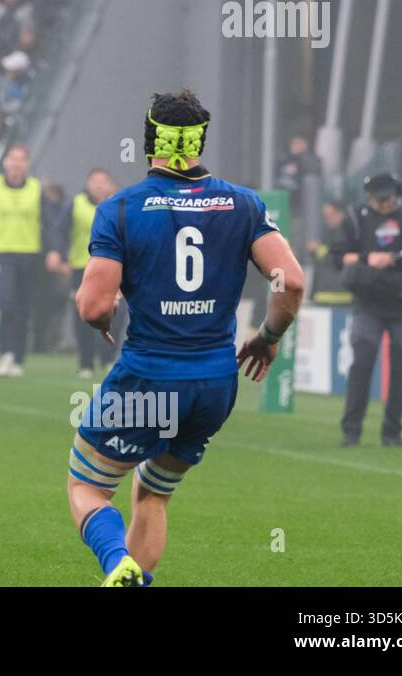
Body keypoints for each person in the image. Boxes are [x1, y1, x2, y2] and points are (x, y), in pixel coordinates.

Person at [66, 90, 304, 586]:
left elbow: (93, 304)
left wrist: (98, 322)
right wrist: (267, 335)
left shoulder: (122, 208)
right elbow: (292, 281)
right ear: (199, 141)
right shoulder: (242, 204)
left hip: (149, 375)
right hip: (215, 383)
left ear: (149, 138)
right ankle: (132, 579)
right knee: (152, 492)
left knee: (88, 487)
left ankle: (116, 563)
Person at [332, 172, 402, 448]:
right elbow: (340, 257)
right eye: (380, 200)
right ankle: (351, 431)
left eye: (389, 198)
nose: (385, 204)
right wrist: (370, 258)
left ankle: (392, 432)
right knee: (363, 361)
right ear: (369, 198)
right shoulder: (356, 219)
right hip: (369, 302)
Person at [0, 143, 52, 378]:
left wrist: (53, 251)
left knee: (23, 308)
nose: (17, 164)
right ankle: (6, 352)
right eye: (13, 159)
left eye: (22, 159)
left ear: (27, 164)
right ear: (5, 162)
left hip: (29, 253)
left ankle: (19, 357)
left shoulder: (36, 188)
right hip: (1, 252)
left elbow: (48, 222)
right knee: (6, 303)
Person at [49, 168, 119, 378]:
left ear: (110, 185)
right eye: (94, 181)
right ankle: (86, 363)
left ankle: (108, 359)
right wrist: (58, 254)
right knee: (83, 316)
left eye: (103, 182)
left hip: (112, 268)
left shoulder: (118, 204)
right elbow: (59, 230)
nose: (98, 186)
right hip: (83, 268)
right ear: (87, 184)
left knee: (114, 313)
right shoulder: (75, 204)